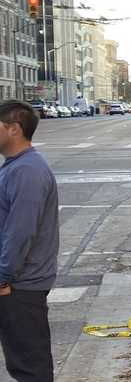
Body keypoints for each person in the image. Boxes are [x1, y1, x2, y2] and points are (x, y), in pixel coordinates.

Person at [0, 100, 59, 381]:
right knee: (22, 361)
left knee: (29, 367)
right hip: (16, 281)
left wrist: (3, 277)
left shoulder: (27, 170)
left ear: (13, 129)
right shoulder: (16, 166)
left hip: (20, 284)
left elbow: (21, 231)